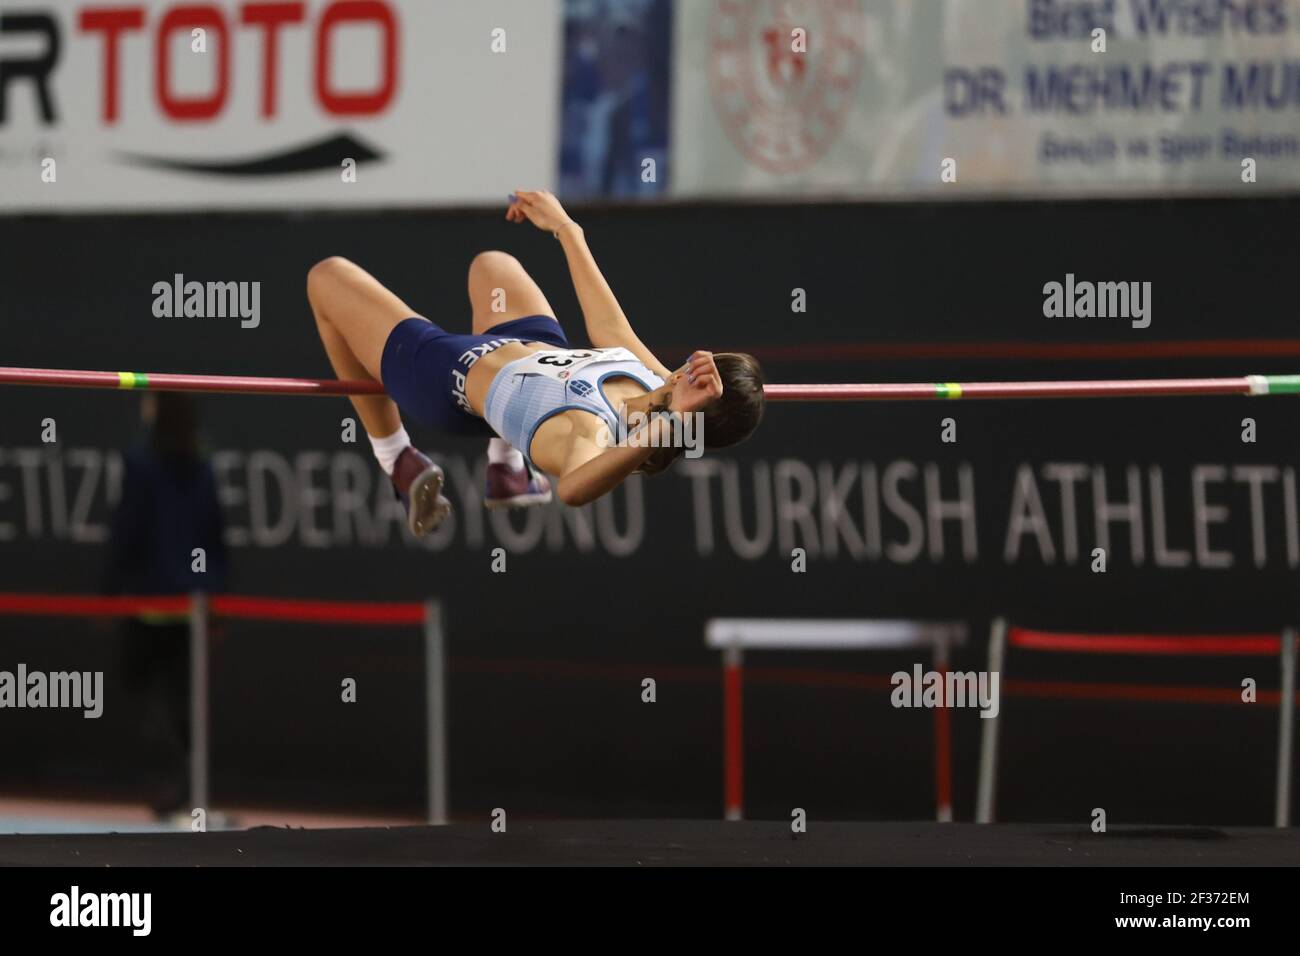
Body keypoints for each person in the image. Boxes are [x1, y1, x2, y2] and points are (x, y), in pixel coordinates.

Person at [306, 189, 765, 536]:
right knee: (492, 265)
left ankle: (397, 459)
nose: (690, 365)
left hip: (447, 374)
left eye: (698, 375)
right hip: (531, 349)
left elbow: (573, 490)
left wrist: (677, 420)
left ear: (691, 407)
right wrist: (568, 230)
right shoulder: (658, 382)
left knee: (325, 278)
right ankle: (507, 468)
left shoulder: (595, 433)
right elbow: (611, 329)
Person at [104, 392, 228, 816]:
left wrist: (110, 589)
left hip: (153, 597)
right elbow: (215, 536)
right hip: (189, 601)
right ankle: (180, 782)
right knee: (180, 700)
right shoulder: (202, 462)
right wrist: (215, 594)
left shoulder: (142, 463)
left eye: (150, 400)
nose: (144, 407)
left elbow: (129, 529)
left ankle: (175, 783)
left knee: (146, 689)